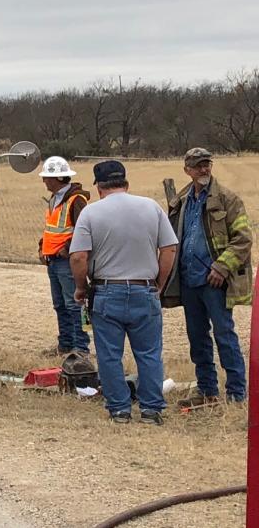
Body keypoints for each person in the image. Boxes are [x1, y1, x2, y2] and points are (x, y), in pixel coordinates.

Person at [70, 160, 178, 425]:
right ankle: (152, 409)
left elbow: (78, 257)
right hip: (145, 289)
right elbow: (169, 249)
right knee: (149, 353)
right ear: (126, 184)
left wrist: (81, 287)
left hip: (107, 291)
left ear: (99, 188)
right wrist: (159, 283)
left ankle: (119, 409)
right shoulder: (151, 207)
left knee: (109, 355)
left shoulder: (91, 213)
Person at [162, 148, 253, 407]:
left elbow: (243, 239)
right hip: (189, 280)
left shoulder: (227, 199)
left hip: (215, 282)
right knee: (197, 338)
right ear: (187, 170)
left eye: (206, 164)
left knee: (225, 336)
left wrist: (222, 267)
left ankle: (236, 394)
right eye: (198, 165)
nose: (204, 169)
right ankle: (207, 390)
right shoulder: (180, 200)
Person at [37, 156, 91, 356]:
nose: (44, 181)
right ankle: (66, 345)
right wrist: (42, 247)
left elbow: (83, 230)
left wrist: (66, 249)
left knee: (77, 304)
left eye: (48, 177)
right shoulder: (55, 199)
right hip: (53, 260)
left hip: (68, 261)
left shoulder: (77, 200)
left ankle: (82, 347)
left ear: (59, 178)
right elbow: (51, 228)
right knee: (60, 305)